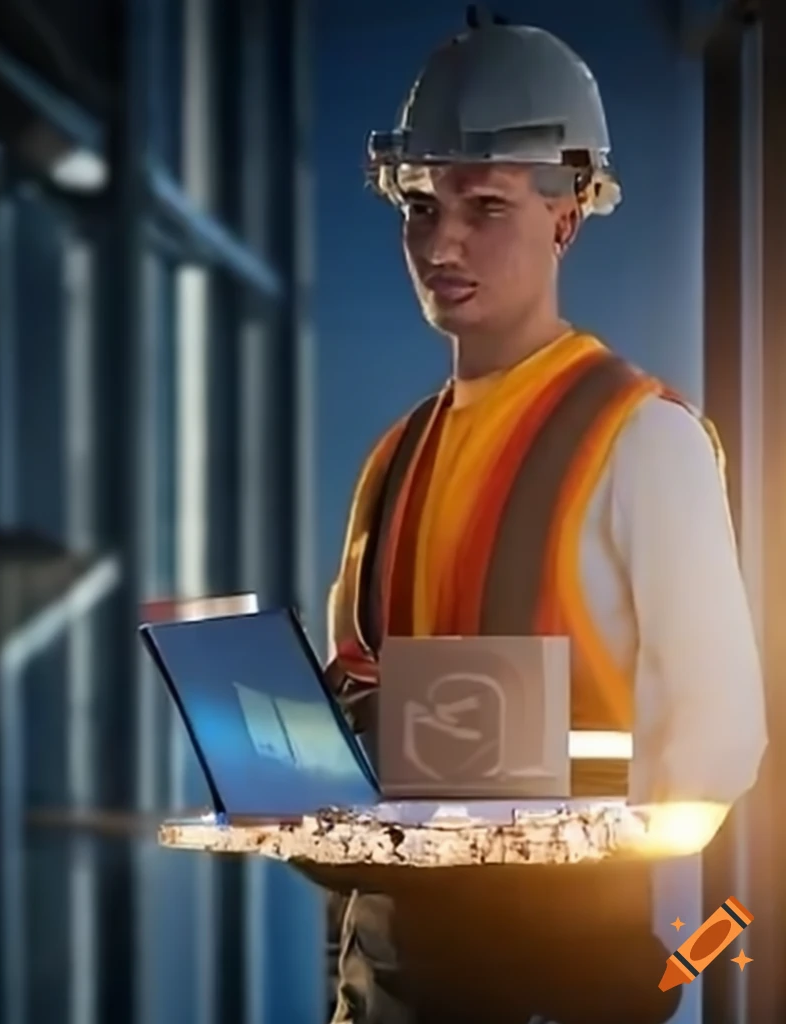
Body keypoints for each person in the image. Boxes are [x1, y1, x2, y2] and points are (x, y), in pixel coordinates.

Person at [324, 10, 767, 1024]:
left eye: (485, 205)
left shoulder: (641, 440)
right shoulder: (395, 457)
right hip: (385, 969)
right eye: (419, 205)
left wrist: (573, 870)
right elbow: (360, 692)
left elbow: (719, 737)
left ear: (566, 218)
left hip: (560, 969)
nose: (442, 242)